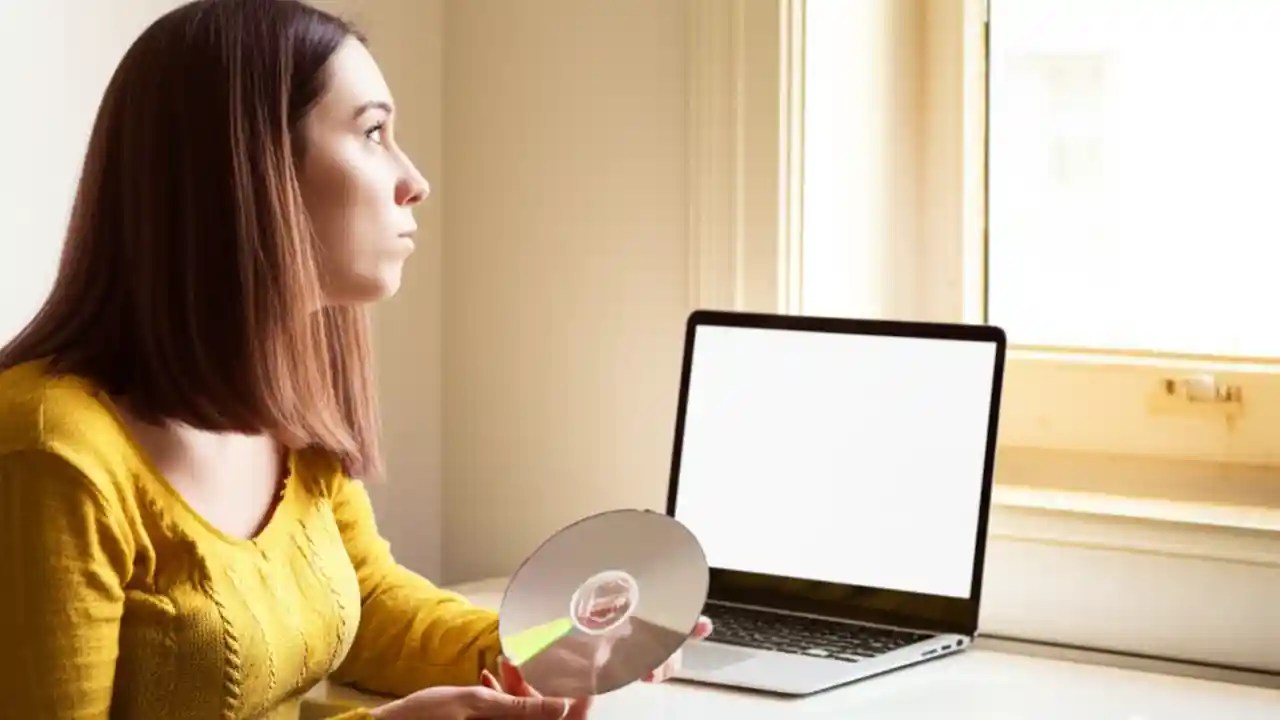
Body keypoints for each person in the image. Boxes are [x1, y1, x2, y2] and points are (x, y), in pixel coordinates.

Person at [0, 1, 711, 718]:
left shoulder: (277, 407)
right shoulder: (47, 453)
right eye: (373, 132)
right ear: (249, 166)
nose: (414, 179)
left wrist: (560, 642)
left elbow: (366, 605)